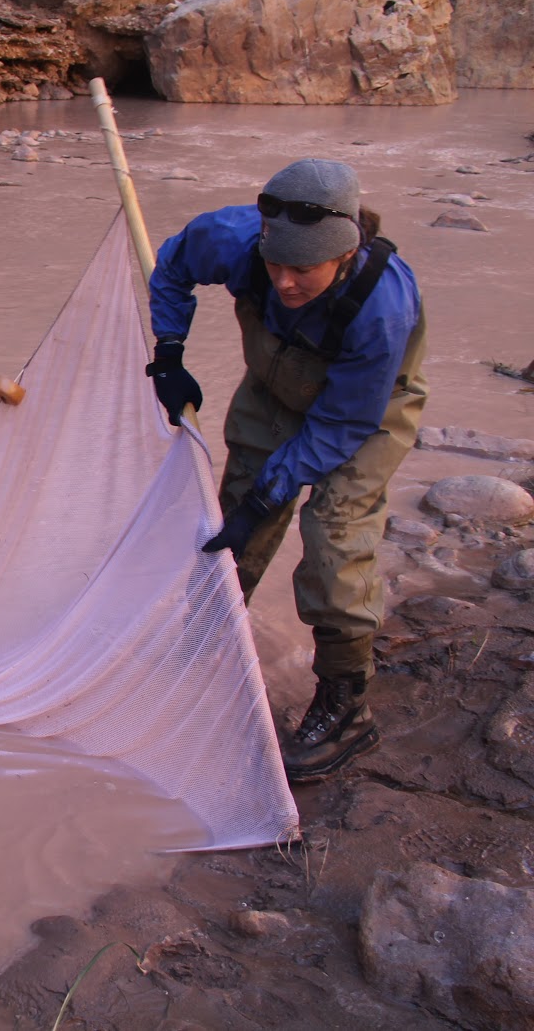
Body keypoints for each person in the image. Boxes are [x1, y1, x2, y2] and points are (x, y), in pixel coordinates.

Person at [145, 158, 427, 782]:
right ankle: (212, 637)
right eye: (276, 266)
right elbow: (172, 269)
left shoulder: (382, 307)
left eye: (304, 270)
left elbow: (341, 427)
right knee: (232, 518)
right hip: (276, 383)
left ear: (344, 255)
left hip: (364, 408)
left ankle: (346, 702)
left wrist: (273, 492)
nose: (285, 283)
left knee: (334, 535)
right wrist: (168, 353)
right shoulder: (232, 239)